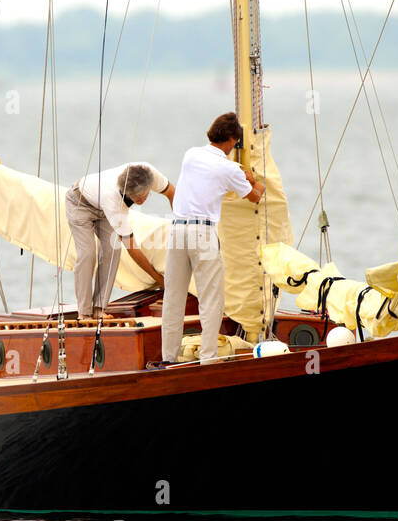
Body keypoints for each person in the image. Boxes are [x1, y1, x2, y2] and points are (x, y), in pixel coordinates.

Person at [159, 112, 263, 364]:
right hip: (202, 234)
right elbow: (255, 196)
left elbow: (211, 174)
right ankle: (208, 358)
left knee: (173, 298)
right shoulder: (230, 170)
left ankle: (168, 358)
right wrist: (254, 179)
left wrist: (237, 173)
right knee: (211, 299)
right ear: (231, 139)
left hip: (177, 230)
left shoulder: (191, 154)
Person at [65, 162, 174, 320]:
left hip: (103, 207)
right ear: (125, 191)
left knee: (112, 251)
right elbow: (131, 248)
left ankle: (99, 308)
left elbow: (172, 193)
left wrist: (181, 226)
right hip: (80, 203)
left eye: (144, 195)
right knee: (87, 254)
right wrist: (159, 279)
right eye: (136, 198)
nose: (141, 200)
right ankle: (84, 312)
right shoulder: (113, 200)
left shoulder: (151, 175)